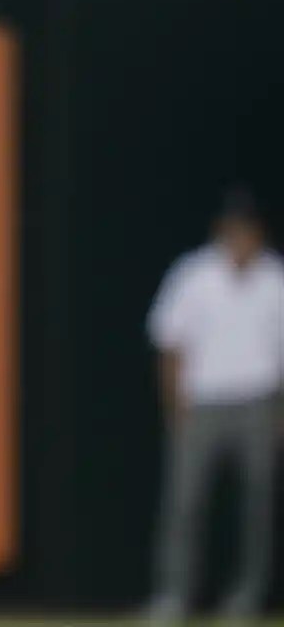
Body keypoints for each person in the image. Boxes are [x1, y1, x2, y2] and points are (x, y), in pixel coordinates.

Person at [146, 188, 284, 625]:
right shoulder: (194, 274)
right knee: (186, 503)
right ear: (222, 231)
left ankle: (248, 596)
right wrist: (176, 407)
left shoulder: (275, 279)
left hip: (259, 403)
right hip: (202, 403)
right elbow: (170, 344)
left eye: (249, 230)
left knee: (259, 505)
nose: (242, 238)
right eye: (234, 229)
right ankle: (174, 595)